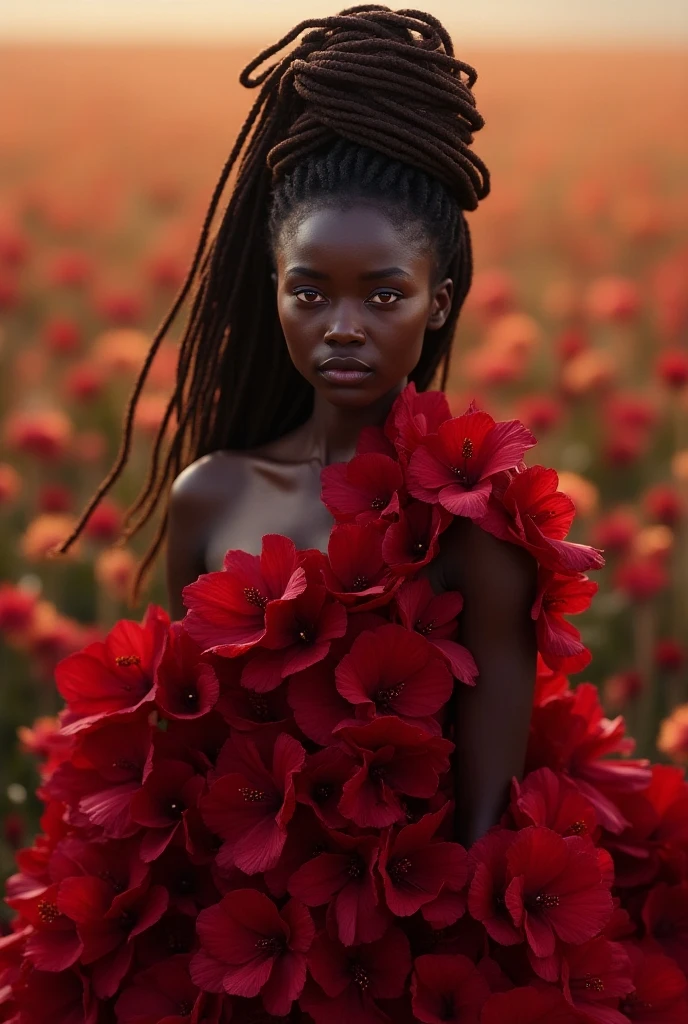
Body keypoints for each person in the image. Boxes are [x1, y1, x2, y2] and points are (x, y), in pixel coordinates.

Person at [1, 7, 686, 1023]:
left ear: (439, 302)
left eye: (384, 296)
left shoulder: (475, 526)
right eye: (311, 293)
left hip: (417, 934)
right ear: (271, 292)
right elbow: (186, 747)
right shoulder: (209, 495)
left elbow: (486, 823)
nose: (344, 327)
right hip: (234, 917)